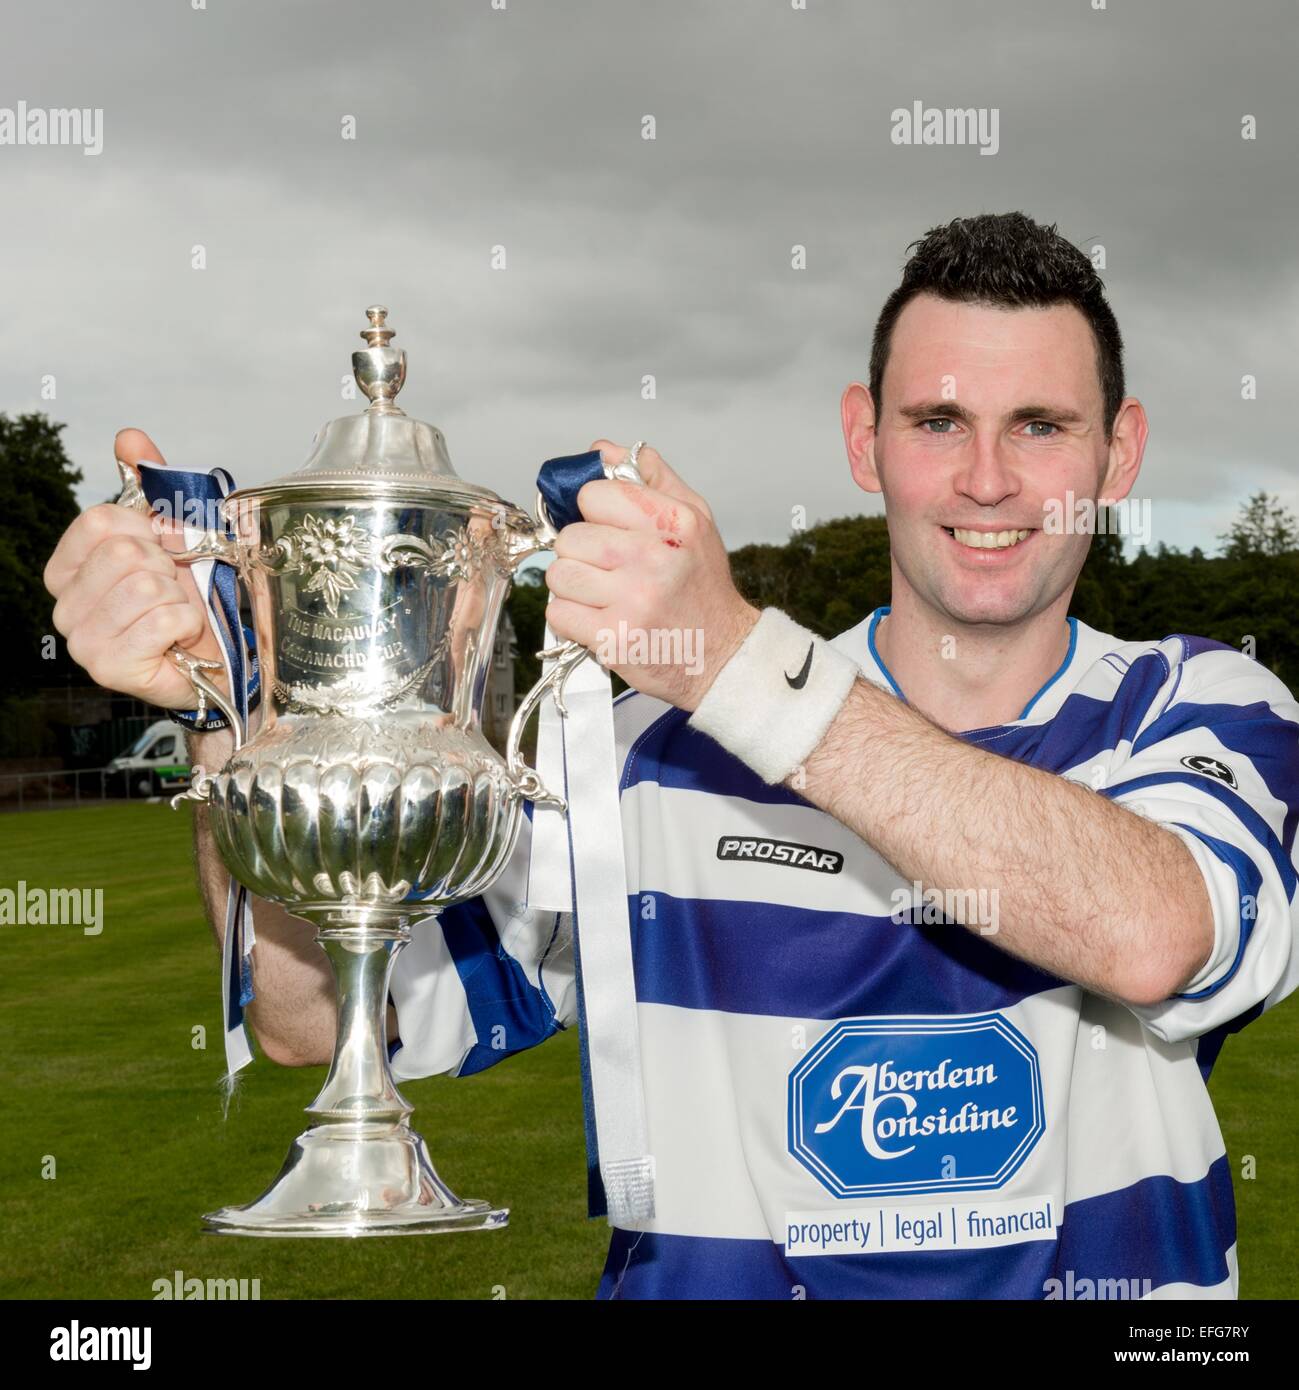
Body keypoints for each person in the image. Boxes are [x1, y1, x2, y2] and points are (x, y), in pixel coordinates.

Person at [45, 212, 1299, 1300]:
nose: (985, 479)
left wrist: (733, 659)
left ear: (1118, 453)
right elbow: (316, 1016)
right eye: (937, 420)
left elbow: (1154, 931)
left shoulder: (1197, 704)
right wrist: (240, 701)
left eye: (1040, 425)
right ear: (865, 440)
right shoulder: (646, 752)